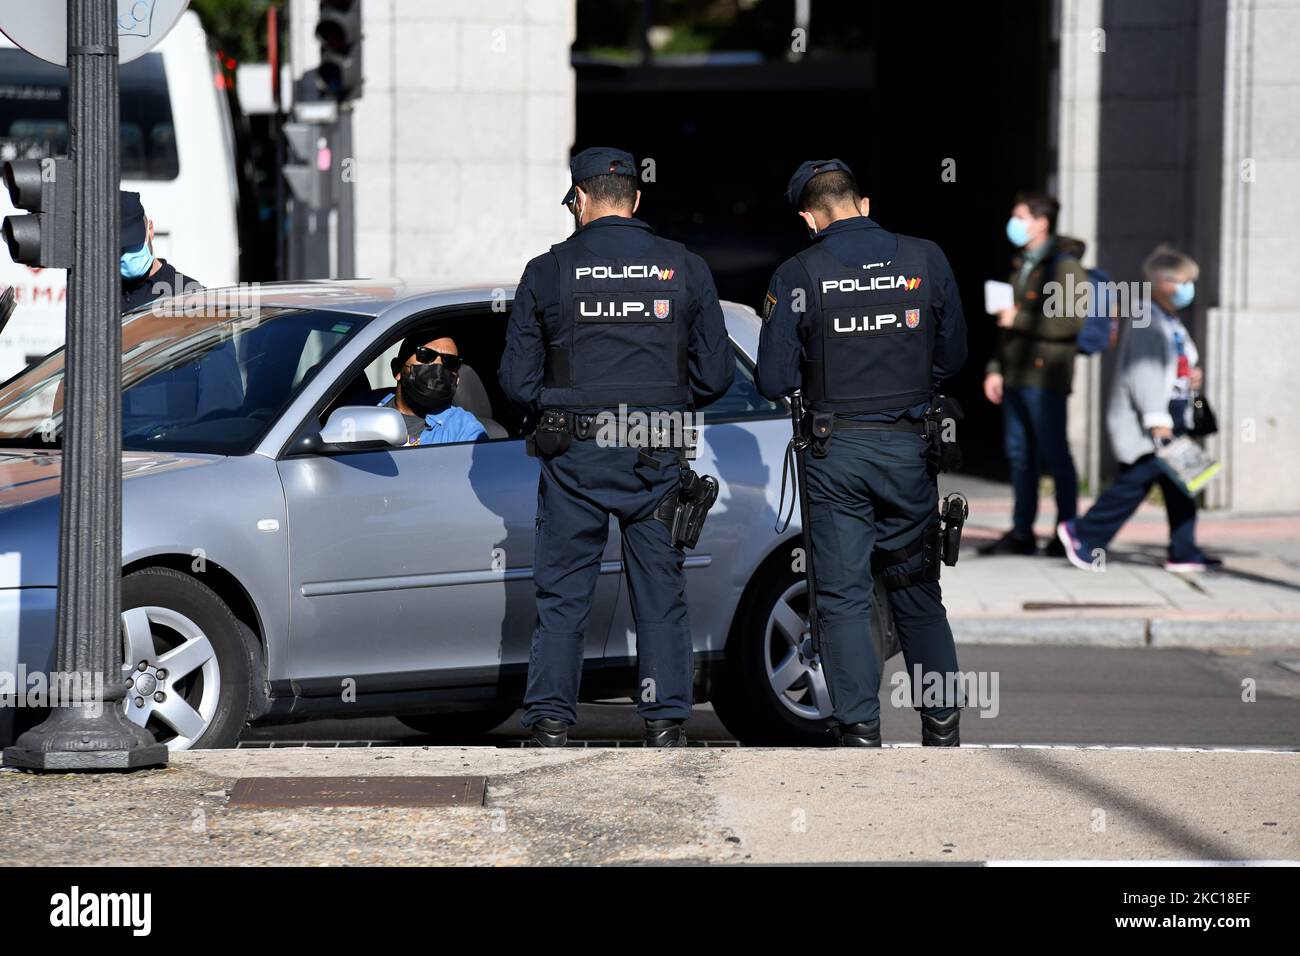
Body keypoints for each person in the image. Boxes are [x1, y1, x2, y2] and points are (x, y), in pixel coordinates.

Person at [499, 147, 733, 748]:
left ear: (578, 199)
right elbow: (715, 378)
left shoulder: (547, 271)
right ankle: (664, 725)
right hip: (656, 454)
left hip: (575, 459)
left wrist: (560, 406)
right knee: (660, 596)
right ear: (636, 198)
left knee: (563, 598)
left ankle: (550, 723)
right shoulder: (685, 267)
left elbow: (515, 381)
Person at [755, 159, 967, 746]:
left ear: (808, 217)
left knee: (843, 598)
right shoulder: (926, 258)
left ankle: (860, 732)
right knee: (919, 591)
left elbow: (772, 380)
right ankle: (943, 728)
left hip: (836, 454)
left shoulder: (798, 274)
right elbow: (951, 358)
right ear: (863, 203)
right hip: (908, 451)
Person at [1058, 246, 1219, 573]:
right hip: (1155, 417)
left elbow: (1172, 366)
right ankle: (1083, 533)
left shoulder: (1168, 320)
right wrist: (1158, 422)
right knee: (1138, 482)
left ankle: (1184, 550)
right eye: (1183, 281)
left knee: (1180, 484)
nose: (1188, 288)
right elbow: (1143, 374)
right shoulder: (1149, 319)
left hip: (1170, 412)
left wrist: (1192, 376)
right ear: (1163, 282)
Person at [980, 192, 1086, 557]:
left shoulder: (1064, 265)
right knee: (1018, 454)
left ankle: (1067, 532)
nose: (1015, 223)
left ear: (1042, 222)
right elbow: (1005, 322)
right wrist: (996, 367)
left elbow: (1071, 322)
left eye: (1021, 216)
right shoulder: (1021, 262)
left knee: (1055, 455)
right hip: (1015, 375)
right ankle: (1022, 531)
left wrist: (1019, 319)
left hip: (1045, 377)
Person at [374, 334, 487, 446]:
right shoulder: (363, 406)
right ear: (397, 369)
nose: (439, 368)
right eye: (426, 356)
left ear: (457, 379)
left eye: (450, 362)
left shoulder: (464, 430)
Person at [119, 191, 202, 313]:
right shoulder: (100, 295)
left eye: (134, 243)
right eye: (119, 248)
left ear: (150, 230)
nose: (126, 255)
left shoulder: (187, 293)